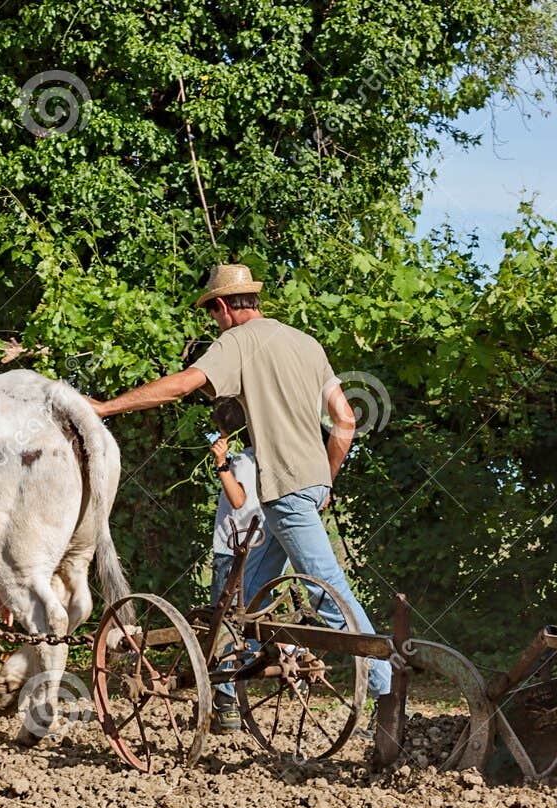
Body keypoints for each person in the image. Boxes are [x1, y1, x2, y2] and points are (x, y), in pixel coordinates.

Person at [86, 263, 394, 713]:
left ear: (224, 306)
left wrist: (107, 408)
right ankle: (226, 700)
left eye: (213, 313)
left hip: (285, 492)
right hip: (302, 489)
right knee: (243, 599)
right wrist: (325, 478)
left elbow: (182, 386)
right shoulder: (306, 344)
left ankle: (387, 694)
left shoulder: (237, 341)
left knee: (328, 592)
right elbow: (345, 421)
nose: (215, 322)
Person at [206, 397, 272, 732]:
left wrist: (221, 464)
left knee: (224, 625)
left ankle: (226, 699)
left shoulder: (243, 461)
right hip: (261, 550)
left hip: (232, 552)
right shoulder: (269, 460)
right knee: (248, 621)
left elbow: (238, 499)